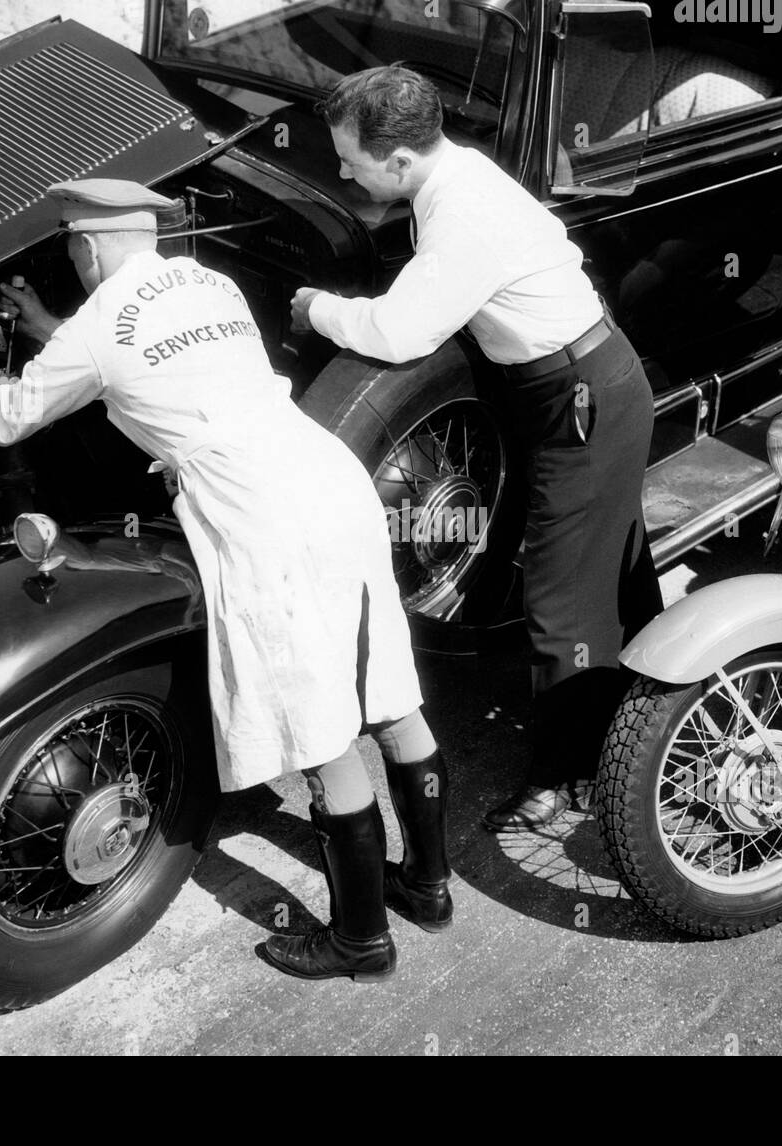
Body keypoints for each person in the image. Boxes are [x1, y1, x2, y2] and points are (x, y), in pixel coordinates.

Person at [0, 177, 453, 982]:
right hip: (328, 476)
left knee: (318, 725)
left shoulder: (101, 321)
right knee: (386, 687)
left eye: (76, 249)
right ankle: (427, 887)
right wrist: (48, 332)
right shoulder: (210, 283)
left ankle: (361, 941)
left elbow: (14, 415)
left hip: (259, 514)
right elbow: (146, 358)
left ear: (88, 246)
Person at [290, 66, 664, 833]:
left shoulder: (461, 214)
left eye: (350, 160)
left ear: (399, 162)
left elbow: (400, 332)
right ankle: (649, 709)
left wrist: (319, 308)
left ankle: (574, 774)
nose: (340, 172)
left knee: (562, 600)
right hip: (574, 383)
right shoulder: (454, 174)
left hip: (577, 402)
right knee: (609, 563)